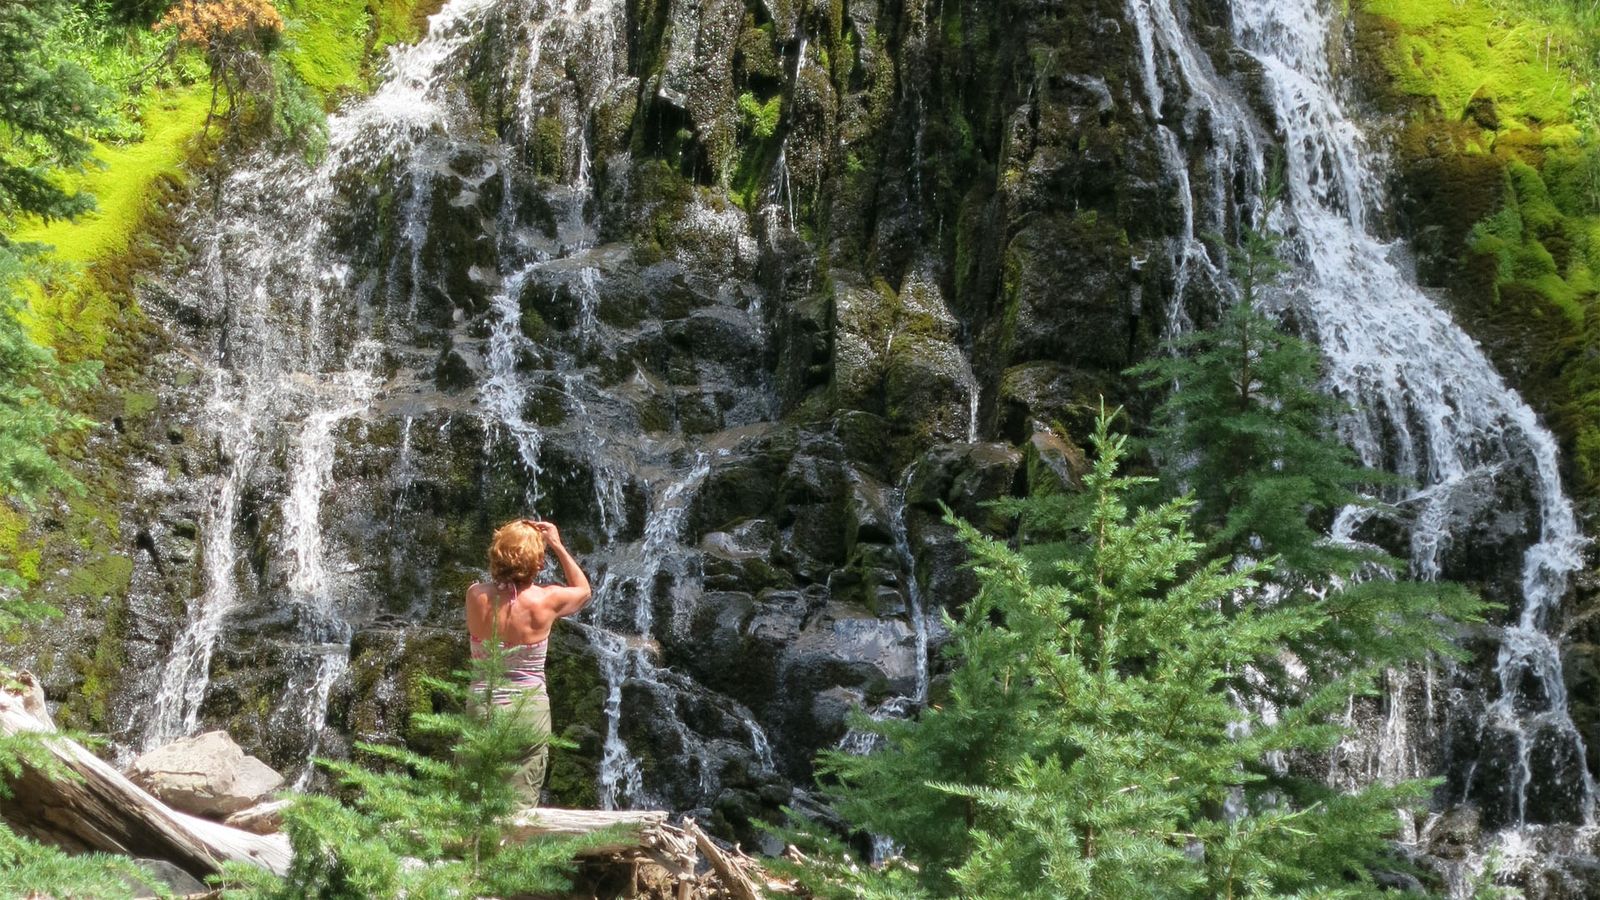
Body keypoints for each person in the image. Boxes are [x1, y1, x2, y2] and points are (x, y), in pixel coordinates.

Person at [465, 518, 592, 809]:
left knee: (473, 796)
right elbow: (583, 591)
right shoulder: (547, 600)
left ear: (496, 555)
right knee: (520, 803)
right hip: (527, 709)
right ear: (538, 562)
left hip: (483, 704)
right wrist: (557, 544)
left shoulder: (475, 595)